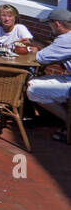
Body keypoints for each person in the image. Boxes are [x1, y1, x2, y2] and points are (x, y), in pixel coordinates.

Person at [27, 8, 71, 141]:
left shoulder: (65, 39)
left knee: (33, 90)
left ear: (57, 24)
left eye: (49, 24)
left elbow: (40, 58)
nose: (50, 27)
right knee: (34, 82)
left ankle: (69, 123)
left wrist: (32, 45)